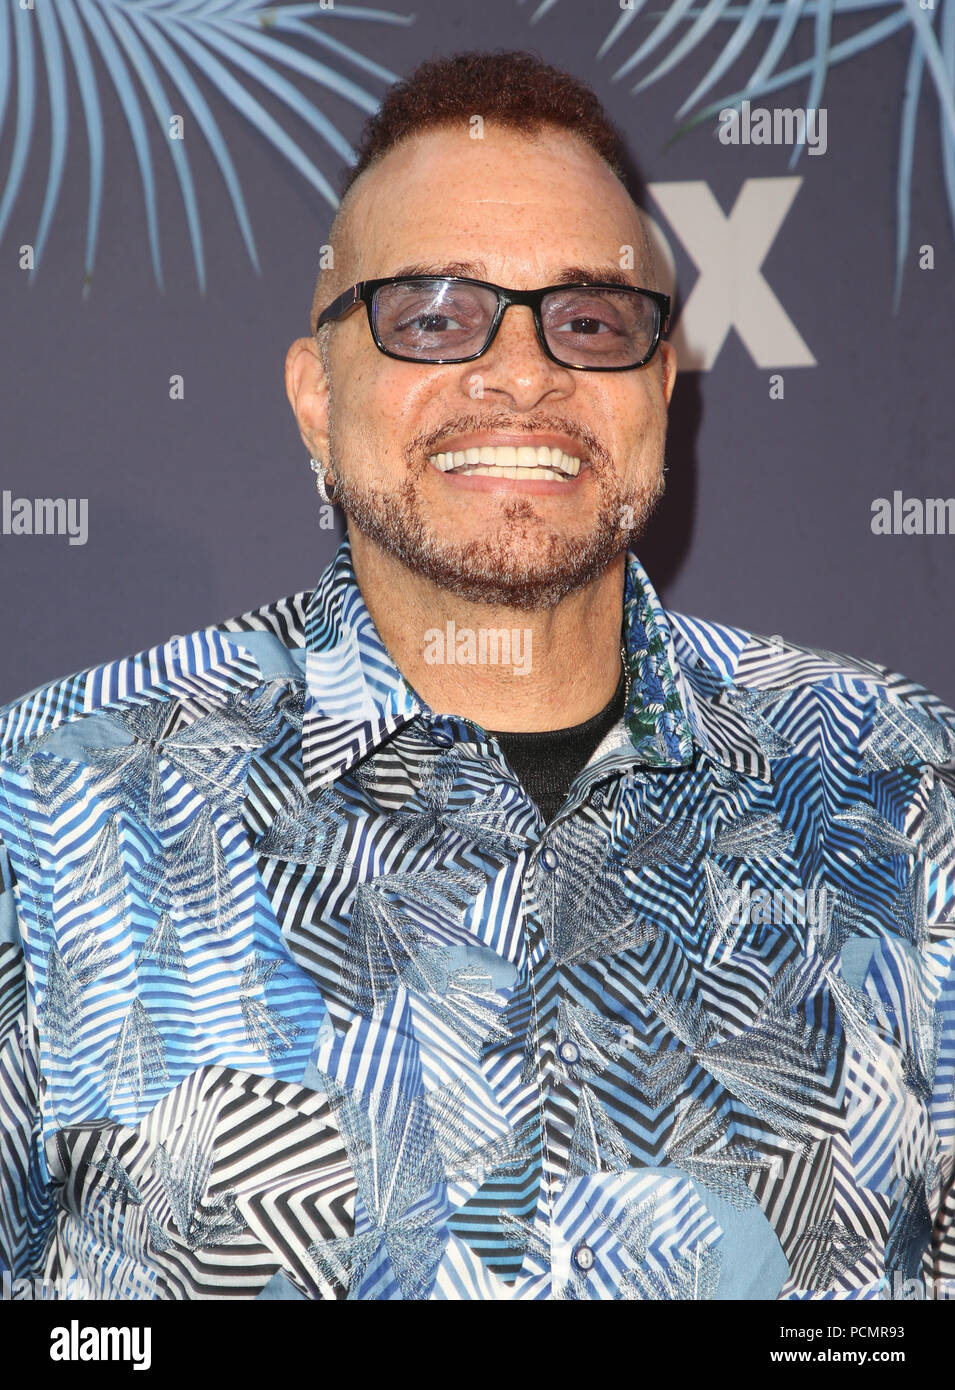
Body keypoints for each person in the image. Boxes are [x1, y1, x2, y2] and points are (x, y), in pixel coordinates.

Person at [1, 51, 953, 1303]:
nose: (521, 373)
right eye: (434, 314)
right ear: (313, 396)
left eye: (590, 320)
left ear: (662, 390)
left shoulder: (902, 783)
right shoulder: (53, 796)